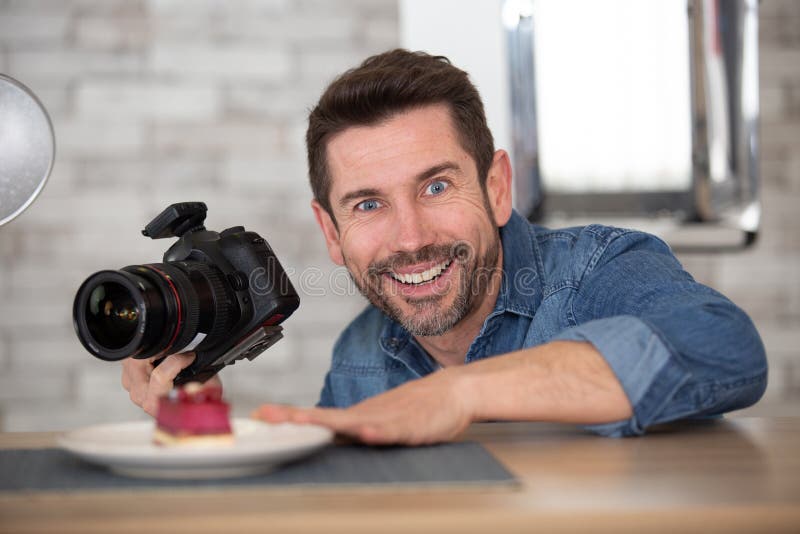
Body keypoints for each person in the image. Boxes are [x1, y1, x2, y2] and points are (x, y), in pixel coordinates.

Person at [122, 49, 767, 445]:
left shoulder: (601, 269)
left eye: (435, 186)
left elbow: (724, 345)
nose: (411, 239)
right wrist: (195, 424)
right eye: (368, 204)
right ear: (332, 234)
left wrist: (460, 394)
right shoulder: (359, 357)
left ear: (497, 187)